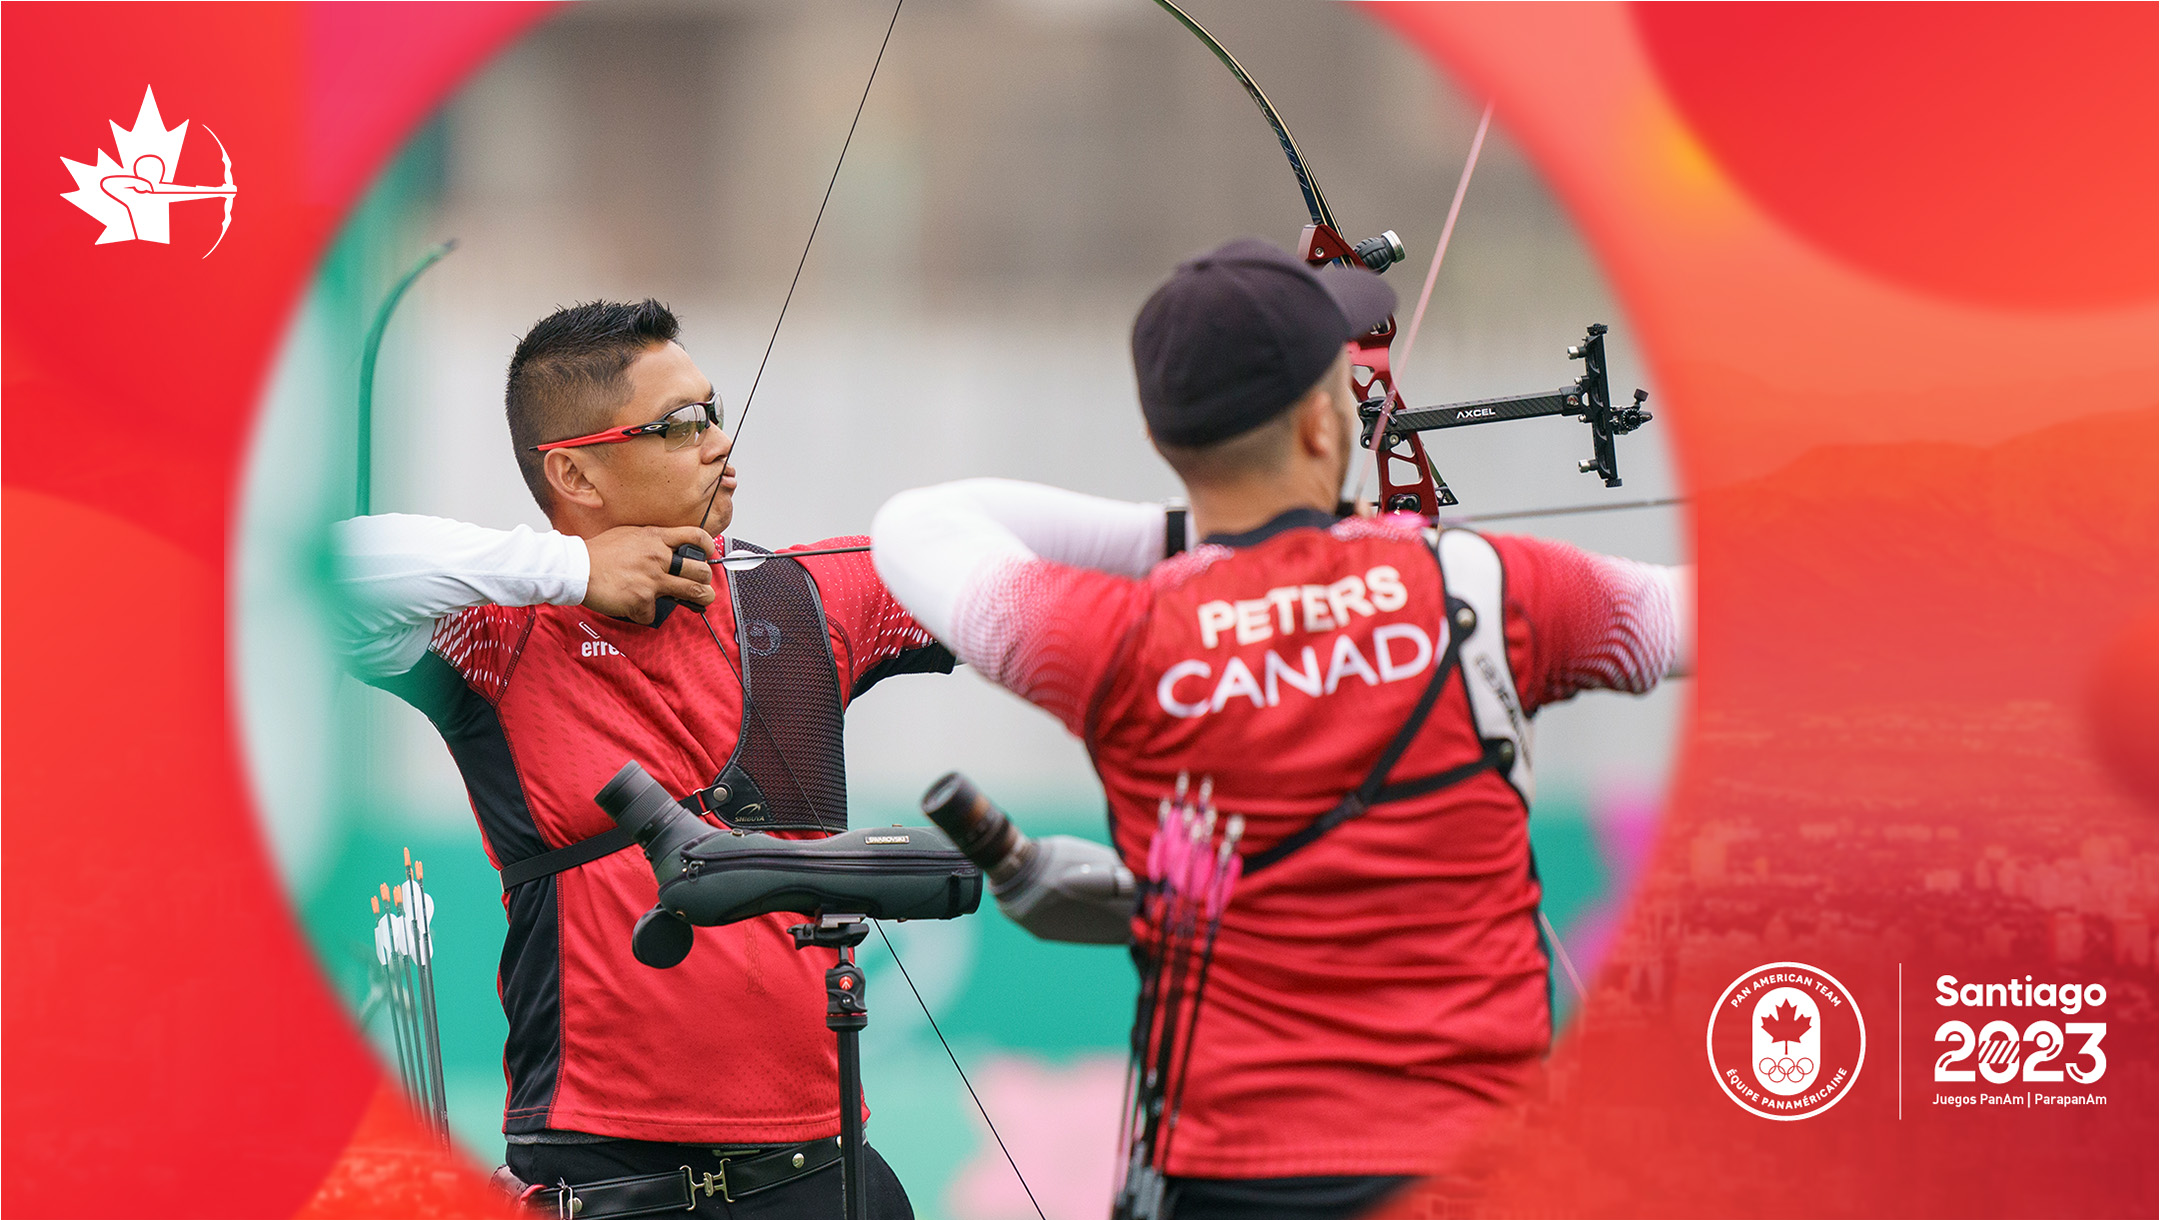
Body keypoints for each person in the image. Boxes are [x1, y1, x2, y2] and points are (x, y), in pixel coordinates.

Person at [870, 239, 1692, 1220]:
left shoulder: (1116, 638)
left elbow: (917, 526)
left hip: (1227, 1180)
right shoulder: (1483, 588)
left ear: (1157, 430)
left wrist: (1192, 538)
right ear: (1318, 424)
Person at [334, 299, 951, 1218]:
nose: (719, 440)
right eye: (680, 424)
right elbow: (321, 565)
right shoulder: (498, 637)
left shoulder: (805, 597)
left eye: (714, 407)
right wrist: (574, 573)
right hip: (610, 1180)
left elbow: (1008, 568)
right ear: (575, 471)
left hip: (824, 1178)